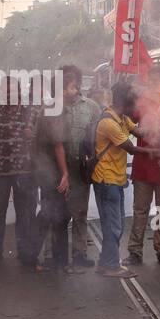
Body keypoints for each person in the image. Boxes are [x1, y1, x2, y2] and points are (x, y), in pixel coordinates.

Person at [93, 81, 156, 279]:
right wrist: (158, 152)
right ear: (123, 102)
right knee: (114, 226)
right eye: (133, 103)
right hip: (106, 181)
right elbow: (132, 148)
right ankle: (111, 266)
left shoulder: (122, 118)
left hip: (115, 180)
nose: (135, 107)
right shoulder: (109, 122)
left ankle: (105, 262)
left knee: (114, 224)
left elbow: (140, 132)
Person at [0, 85, 37, 266]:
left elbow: (39, 137)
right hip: (1, 170)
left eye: (12, 91)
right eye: (5, 92)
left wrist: (32, 135)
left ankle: (23, 250)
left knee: (23, 213)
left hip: (24, 170)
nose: (9, 95)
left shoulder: (29, 111)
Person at [59, 65, 101, 267]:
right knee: (57, 213)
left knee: (80, 213)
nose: (70, 83)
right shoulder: (53, 106)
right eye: (65, 79)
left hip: (81, 168)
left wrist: (92, 159)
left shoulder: (92, 107)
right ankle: (55, 254)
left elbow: (98, 137)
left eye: (72, 79)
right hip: (57, 168)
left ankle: (79, 253)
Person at [127, 89, 160, 267]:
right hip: (143, 169)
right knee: (140, 211)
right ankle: (135, 251)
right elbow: (128, 124)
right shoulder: (142, 103)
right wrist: (144, 132)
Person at [30, 99, 69, 271]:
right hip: (51, 173)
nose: (75, 91)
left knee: (53, 214)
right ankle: (48, 258)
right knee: (54, 214)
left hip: (45, 171)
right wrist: (65, 173)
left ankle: (45, 256)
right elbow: (58, 145)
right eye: (71, 87)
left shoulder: (46, 110)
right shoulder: (54, 110)